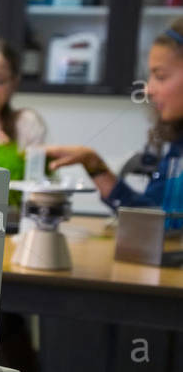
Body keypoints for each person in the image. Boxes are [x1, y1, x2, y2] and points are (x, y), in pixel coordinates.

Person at [46, 18, 183, 223]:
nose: (148, 90)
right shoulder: (177, 149)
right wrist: (94, 164)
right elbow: (151, 221)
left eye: (161, 76)